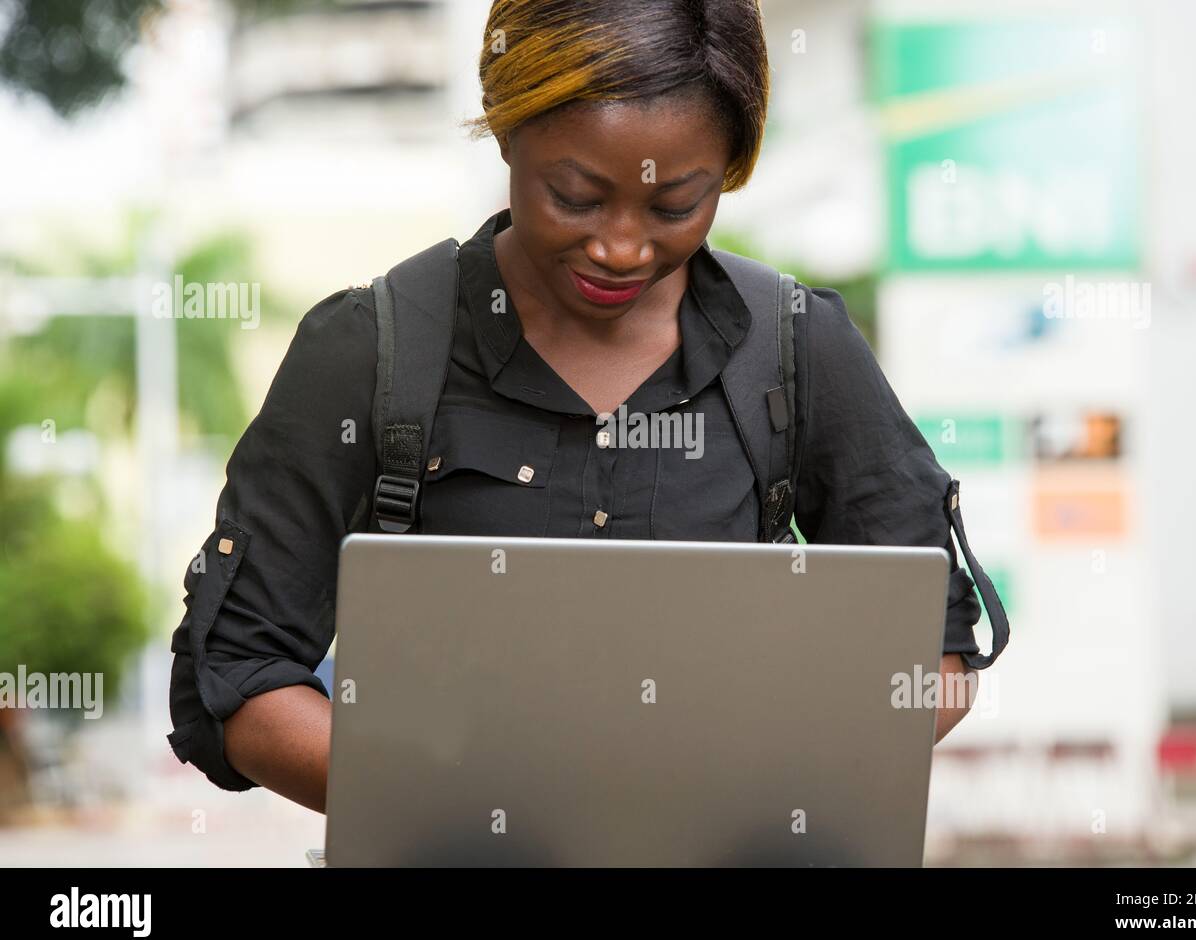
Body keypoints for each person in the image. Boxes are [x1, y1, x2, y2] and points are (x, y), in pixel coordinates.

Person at [167, 0, 1003, 816]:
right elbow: (240, 673)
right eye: (574, 195)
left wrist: (759, 785)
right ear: (505, 127)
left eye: (677, 205)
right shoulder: (370, 352)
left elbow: (937, 654)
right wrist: (452, 803)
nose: (621, 247)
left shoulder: (795, 350)